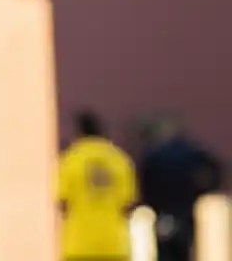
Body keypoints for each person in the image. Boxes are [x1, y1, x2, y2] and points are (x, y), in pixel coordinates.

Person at [139, 115, 224, 261]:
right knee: (185, 249)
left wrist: (149, 203)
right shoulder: (193, 152)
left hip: (164, 210)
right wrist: (206, 190)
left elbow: (145, 183)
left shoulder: (154, 155)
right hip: (187, 208)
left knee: (165, 251)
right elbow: (214, 168)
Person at [57, 110, 138, 261]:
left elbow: (62, 202)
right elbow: (129, 203)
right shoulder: (119, 159)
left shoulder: (70, 159)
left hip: (79, 245)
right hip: (115, 244)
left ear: (79, 132)